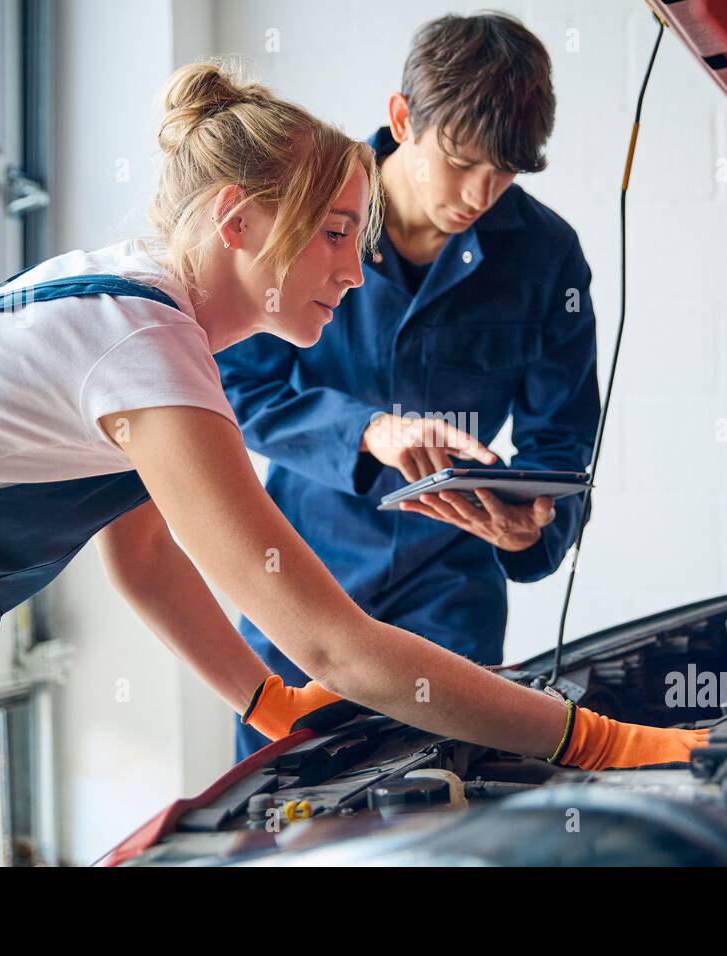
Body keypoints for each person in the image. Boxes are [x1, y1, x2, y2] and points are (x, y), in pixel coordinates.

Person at [0, 62, 707, 866]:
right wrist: (600, 741)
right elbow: (333, 645)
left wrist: (262, 699)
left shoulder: (142, 316)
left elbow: (141, 555)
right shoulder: (141, 342)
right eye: (336, 231)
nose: (354, 267)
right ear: (236, 220)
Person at [217, 13, 602, 761]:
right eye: (460, 162)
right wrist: (367, 432)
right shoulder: (300, 214)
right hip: (299, 574)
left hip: (451, 590)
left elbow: (563, 442)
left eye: (506, 171)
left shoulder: (548, 258)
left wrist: (538, 529)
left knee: (445, 805)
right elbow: (237, 386)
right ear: (402, 118)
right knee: (284, 816)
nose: (481, 193)